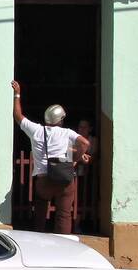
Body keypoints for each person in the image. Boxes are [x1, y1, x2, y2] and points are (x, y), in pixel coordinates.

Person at [11, 80, 90, 234]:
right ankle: (64, 245)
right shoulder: (67, 133)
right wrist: (75, 158)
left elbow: (18, 115)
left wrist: (17, 94)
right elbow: (85, 143)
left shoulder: (36, 131)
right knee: (64, 215)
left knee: (40, 211)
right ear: (60, 120)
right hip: (64, 180)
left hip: (44, 181)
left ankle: (40, 238)